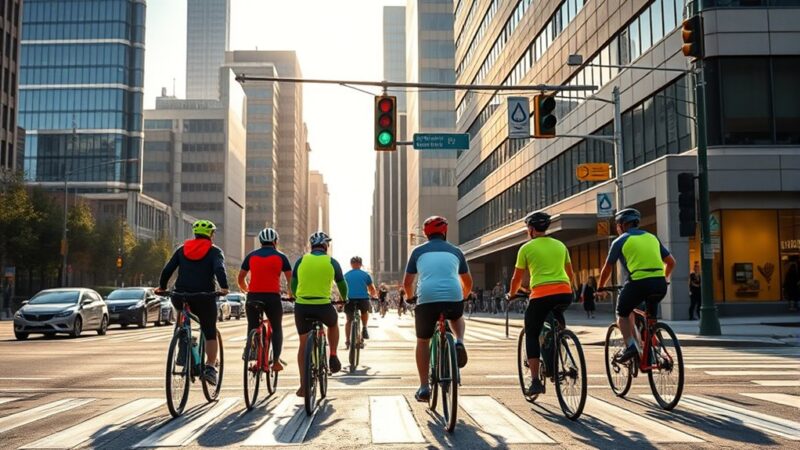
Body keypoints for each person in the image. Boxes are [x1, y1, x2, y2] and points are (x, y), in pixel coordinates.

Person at [403, 215, 472, 402]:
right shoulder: (456, 251)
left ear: (426, 234)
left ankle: (424, 387)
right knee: (457, 317)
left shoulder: (418, 252)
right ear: (445, 232)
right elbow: (467, 281)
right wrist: (464, 296)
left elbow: (407, 282)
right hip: (453, 295)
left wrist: (410, 297)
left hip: (426, 298)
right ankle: (459, 341)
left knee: (423, 341)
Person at [507, 211, 574, 396]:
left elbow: (516, 278)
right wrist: (569, 288)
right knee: (556, 321)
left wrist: (511, 295)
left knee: (531, 333)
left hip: (541, 295)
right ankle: (560, 345)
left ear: (530, 228)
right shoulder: (560, 245)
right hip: (564, 292)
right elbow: (570, 274)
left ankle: (536, 381)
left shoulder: (526, 248)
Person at [156, 219, 229, 385]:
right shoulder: (214, 251)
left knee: (183, 316)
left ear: (195, 234)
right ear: (211, 234)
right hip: (204, 296)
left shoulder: (182, 249)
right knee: (210, 331)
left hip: (180, 295)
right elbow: (219, 269)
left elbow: (168, 269)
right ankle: (210, 367)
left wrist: (162, 286)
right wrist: (224, 287)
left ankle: (184, 342)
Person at [598, 208, 676, 363]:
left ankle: (630, 346)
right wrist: (665, 278)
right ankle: (654, 355)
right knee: (650, 320)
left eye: (617, 225)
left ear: (621, 225)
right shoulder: (652, 238)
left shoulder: (620, 241)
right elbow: (671, 262)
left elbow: (607, 268)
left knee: (622, 313)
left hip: (638, 283)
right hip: (660, 285)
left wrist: (600, 287)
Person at [291, 231, 348, 396]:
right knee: (333, 324)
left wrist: (296, 296)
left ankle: (303, 385)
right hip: (323, 306)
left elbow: (294, 284)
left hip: (302, 307)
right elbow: (342, 285)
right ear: (326, 246)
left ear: (311, 246)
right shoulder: (332, 262)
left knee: (303, 344)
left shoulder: (301, 261)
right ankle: (333, 354)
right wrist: (345, 299)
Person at [237, 228, 292, 370]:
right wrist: (291, 295)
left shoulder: (251, 256)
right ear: (275, 242)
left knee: (253, 325)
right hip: (272, 297)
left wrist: (246, 289)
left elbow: (241, 277)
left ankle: (252, 348)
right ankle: (276, 361)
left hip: (253, 296)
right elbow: (290, 280)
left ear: (261, 242)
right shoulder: (281, 257)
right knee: (277, 328)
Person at [344, 256, 377, 348]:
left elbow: (342, 289)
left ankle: (347, 340)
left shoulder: (346, 275)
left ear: (351, 264)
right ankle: (364, 327)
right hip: (363, 299)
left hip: (349, 299)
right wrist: (374, 296)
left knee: (348, 320)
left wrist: (342, 299)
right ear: (360, 264)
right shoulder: (366, 275)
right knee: (364, 312)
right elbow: (372, 289)